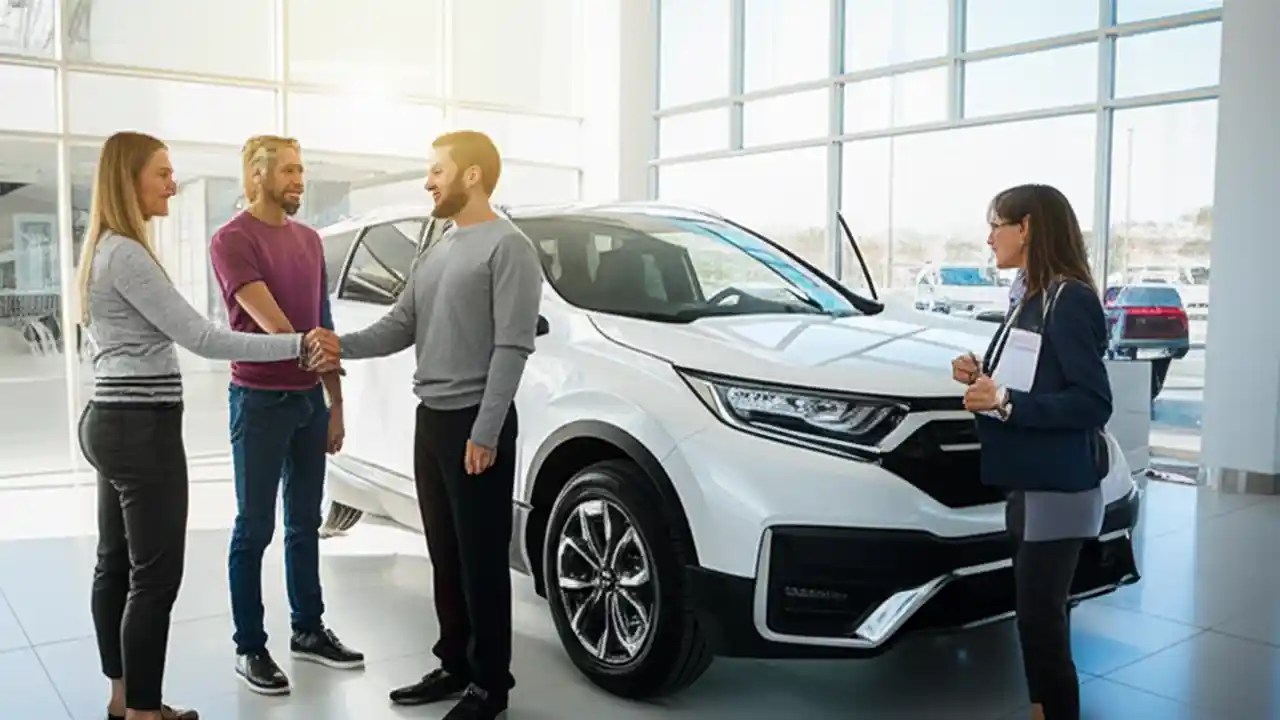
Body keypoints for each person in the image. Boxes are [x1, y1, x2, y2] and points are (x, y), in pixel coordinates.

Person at [76, 131, 331, 720]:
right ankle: (143, 709)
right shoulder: (129, 253)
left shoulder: (103, 248)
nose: (172, 182)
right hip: (141, 427)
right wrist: (299, 343)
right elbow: (202, 337)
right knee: (155, 575)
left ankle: (123, 700)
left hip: (111, 419)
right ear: (128, 179)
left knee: (114, 562)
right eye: (162, 173)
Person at [309, 130, 542, 720]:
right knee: (445, 552)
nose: (428, 180)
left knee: (481, 559)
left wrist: (486, 432)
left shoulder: (508, 248)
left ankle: (491, 686)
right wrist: (341, 347)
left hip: (474, 424)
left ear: (471, 175)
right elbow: (400, 323)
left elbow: (513, 347)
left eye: (437, 170)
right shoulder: (438, 245)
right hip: (431, 419)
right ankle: (454, 664)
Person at [209, 135, 364, 696]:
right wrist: (312, 350)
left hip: (306, 402)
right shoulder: (231, 239)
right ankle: (249, 646)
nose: (300, 180)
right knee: (255, 528)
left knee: (305, 522)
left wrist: (335, 403)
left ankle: (308, 630)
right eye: (290, 171)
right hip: (258, 399)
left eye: (302, 170)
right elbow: (274, 322)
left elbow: (320, 322)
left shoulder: (310, 240)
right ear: (257, 174)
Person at [952, 184, 1112, 720]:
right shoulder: (1031, 295)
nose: (989, 236)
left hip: (1058, 489)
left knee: (1042, 622)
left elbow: (1092, 402)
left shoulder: (1069, 300)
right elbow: (1032, 382)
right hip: (1028, 480)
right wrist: (984, 381)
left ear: (1028, 228)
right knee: (1036, 618)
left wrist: (1007, 403)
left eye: (997, 223)